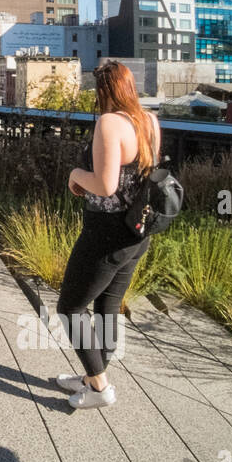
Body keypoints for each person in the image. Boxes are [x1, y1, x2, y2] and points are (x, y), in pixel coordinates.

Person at [56, 61, 162, 410]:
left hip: (105, 234)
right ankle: (93, 373)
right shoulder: (149, 121)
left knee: (71, 307)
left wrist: (75, 175)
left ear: (104, 91)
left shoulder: (108, 123)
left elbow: (105, 184)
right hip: (137, 233)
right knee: (107, 307)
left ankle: (99, 388)